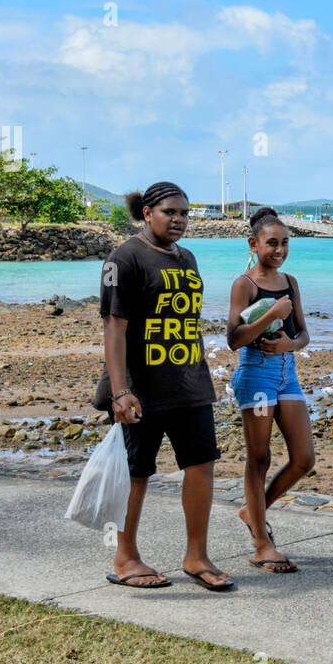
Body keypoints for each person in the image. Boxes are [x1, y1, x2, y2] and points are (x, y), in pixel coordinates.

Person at [94, 181, 233, 591]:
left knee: (201, 465)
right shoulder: (124, 258)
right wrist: (121, 391)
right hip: (141, 388)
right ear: (147, 213)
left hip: (189, 382)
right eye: (170, 212)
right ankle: (125, 557)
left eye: (184, 213)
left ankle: (196, 556)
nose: (178, 220)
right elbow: (113, 329)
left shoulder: (186, 257)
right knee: (136, 473)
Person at [226, 207, 315, 573]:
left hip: (286, 374)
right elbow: (233, 339)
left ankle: (253, 511)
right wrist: (270, 315)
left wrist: (288, 346)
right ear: (254, 243)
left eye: (284, 243)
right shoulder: (244, 285)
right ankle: (262, 545)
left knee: (304, 458)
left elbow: (304, 334)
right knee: (259, 459)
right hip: (257, 377)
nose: (279, 250)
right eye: (272, 243)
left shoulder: (291, 282)